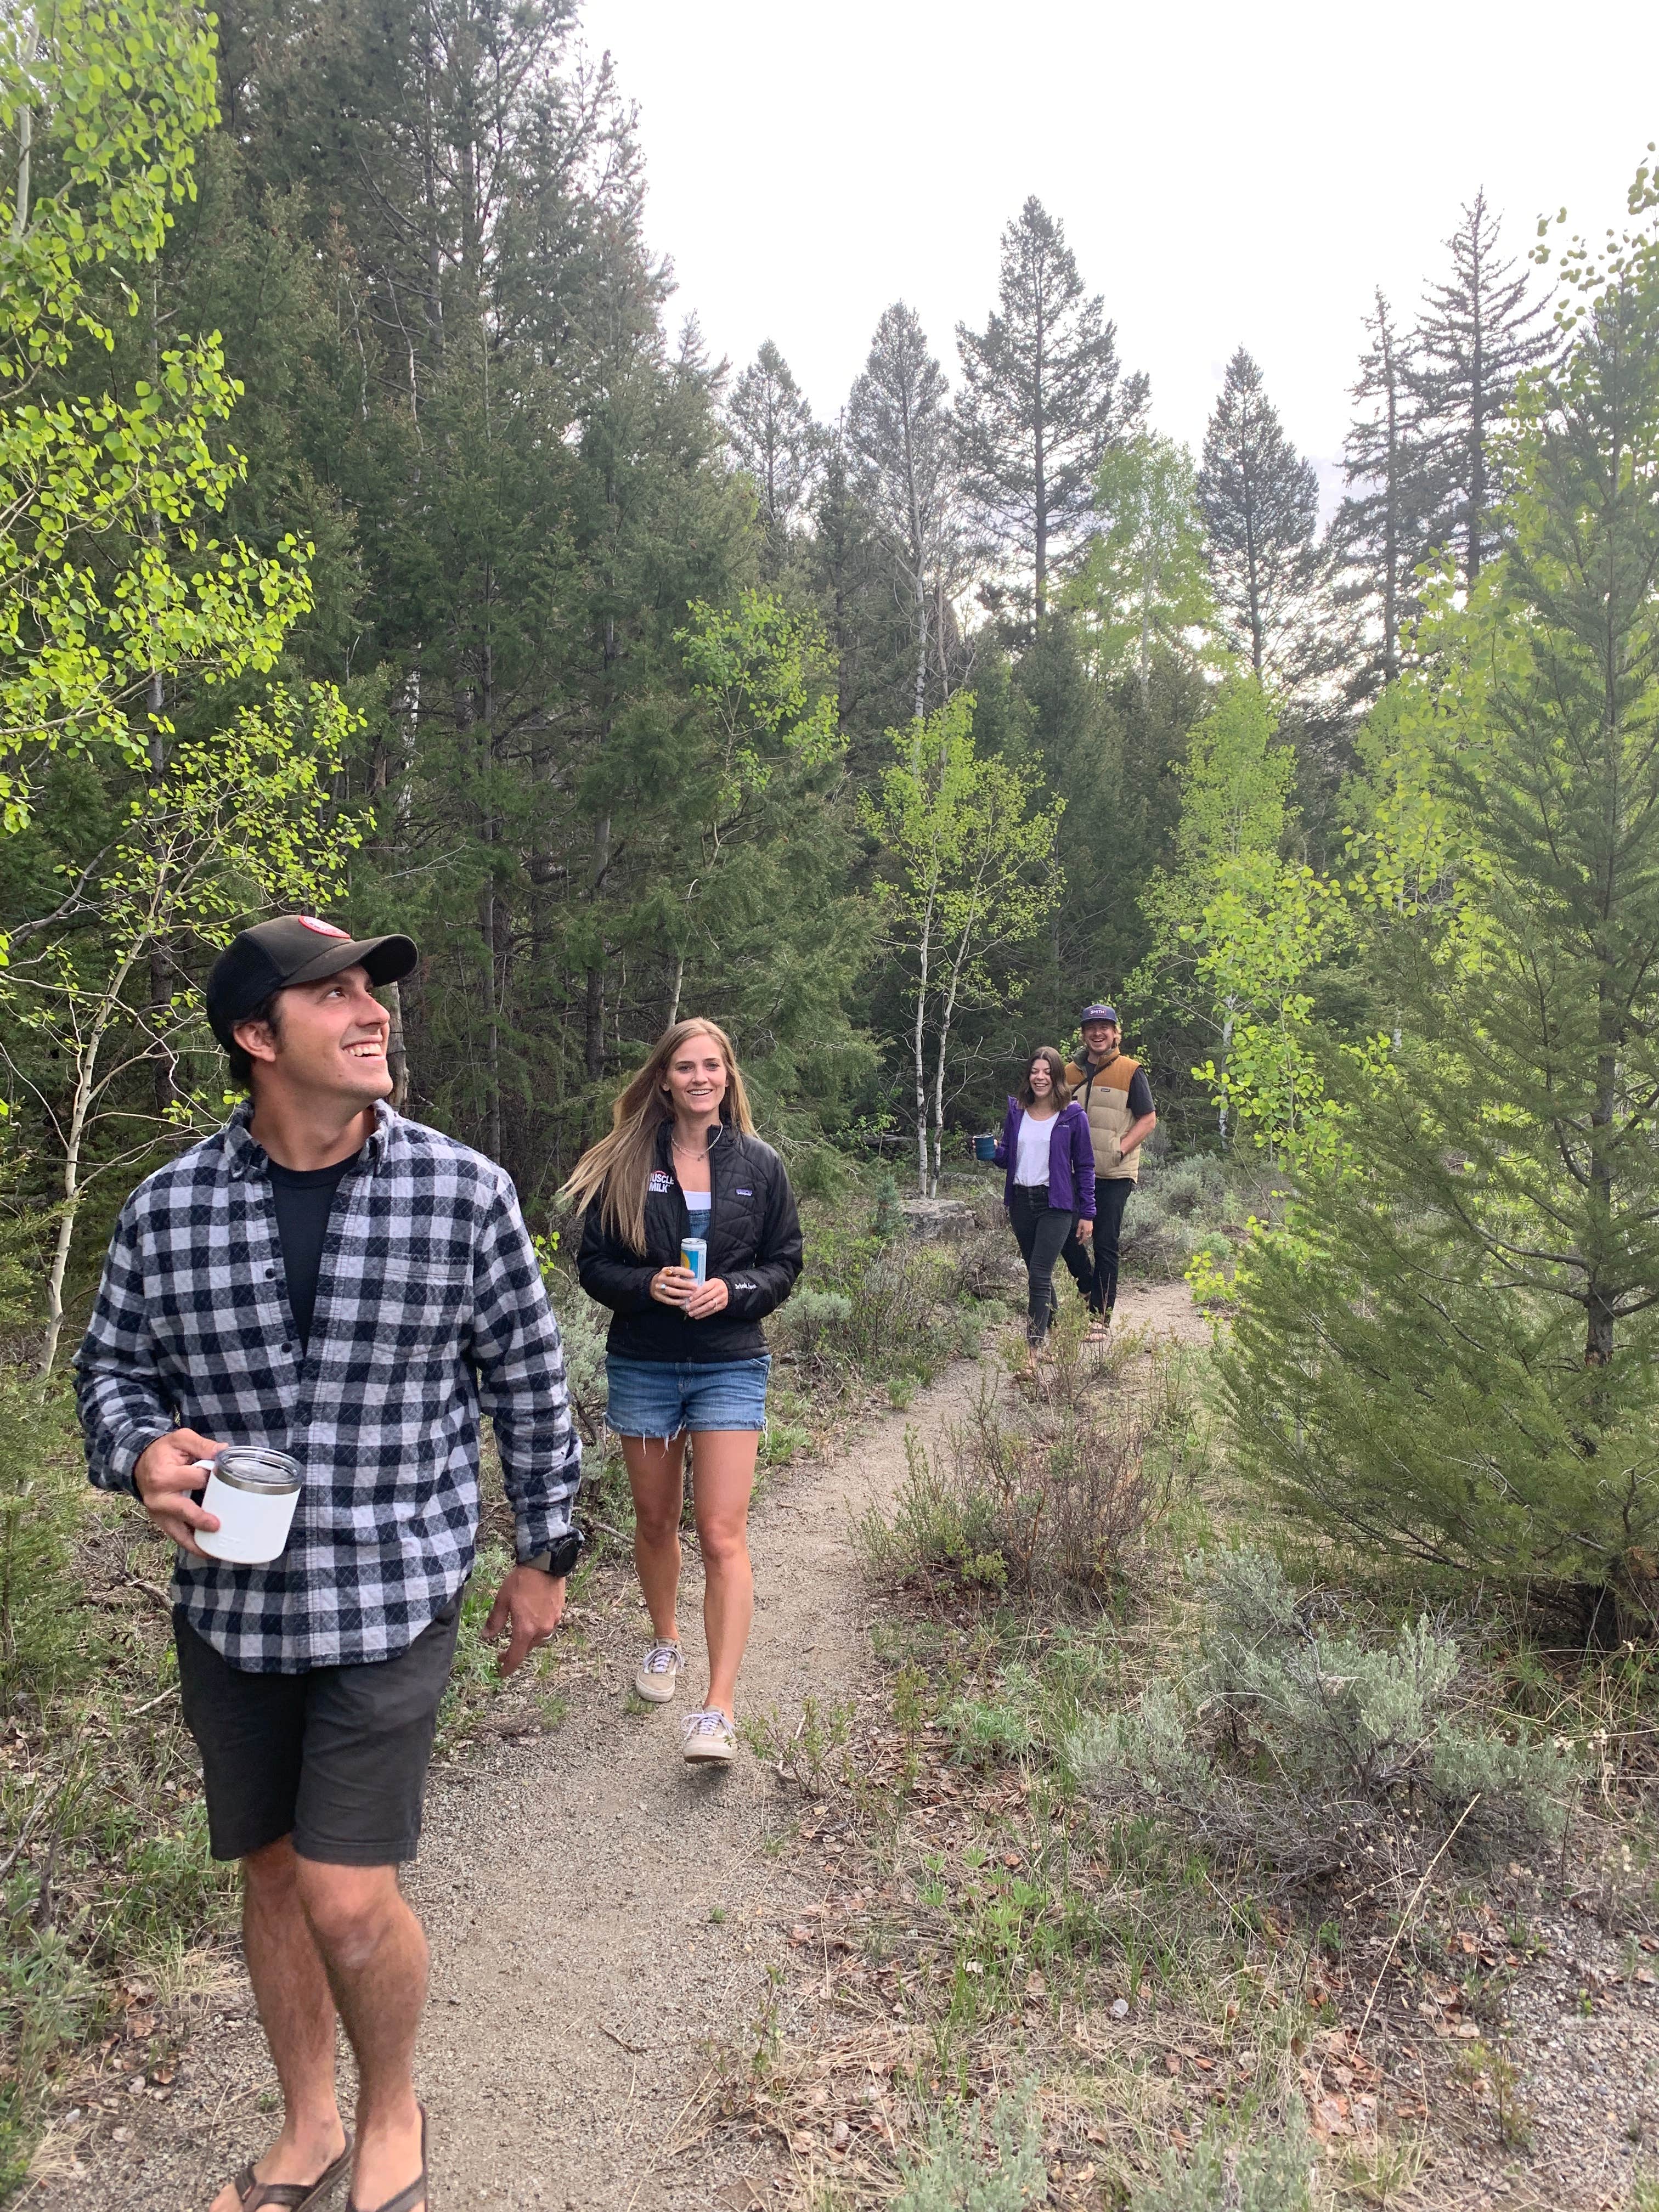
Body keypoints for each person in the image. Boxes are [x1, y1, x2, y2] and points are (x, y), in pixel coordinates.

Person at [76, 915, 583, 2212]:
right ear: (258, 1036)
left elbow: (530, 1385)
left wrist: (546, 1552)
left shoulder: (462, 1192)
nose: (374, 1013)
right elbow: (112, 1372)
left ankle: (393, 2105)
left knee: (346, 1897)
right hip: (232, 1602)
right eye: (336, 995)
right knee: (270, 1871)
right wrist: (139, 1454)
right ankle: (308, 2124)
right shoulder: (167, 1211)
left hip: (391, 1588)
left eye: (375, 991)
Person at [568, 1018, 802, 1765]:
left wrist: (735, 1291)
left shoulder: (760, 1164)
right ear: (664, 1080)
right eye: (685, 1067)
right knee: (655, 1520)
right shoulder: (626, 1161)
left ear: (728, 1076)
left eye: (712, 1065)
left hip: (730, 1361)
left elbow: (785, 1263)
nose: (700, 1078)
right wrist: (649, 1285)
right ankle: (665, 1639)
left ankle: (718, 1709)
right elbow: (594, 1265)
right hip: (645, 1362)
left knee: (722, 1533)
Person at [994, 1046, 1096, 1364]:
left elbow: (1086, 1166)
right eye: (1035, 1072)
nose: (1040, 1078)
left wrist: (1088, 1213)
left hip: (1056, 1204)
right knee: (1037, 1272)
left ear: (1058, 1077)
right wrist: (992, 1152)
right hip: (1021, 1202)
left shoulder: (1073, 1116)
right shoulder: (1017, 1111)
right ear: (1028, 1076)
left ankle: (1032, 1352)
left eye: (1047, 1072)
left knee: (1039, 1274)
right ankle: (1054, 1334)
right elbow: (1008, 1156)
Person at [1063, 1001, 1158, 1341]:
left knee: (1105, 1242)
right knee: (1064, 1234)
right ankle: (1088, 1286)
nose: (1097, 1033)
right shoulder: (1068, 1073)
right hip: (1074, 1173)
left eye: (1104, 1028)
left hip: (1114, 1174)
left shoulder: (1131, 1071)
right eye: (1091, 1028)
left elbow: (1148, 1119)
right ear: (1083, 1034)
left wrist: (1120, 1148)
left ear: (1116, 1033)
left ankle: (1100, 1318)